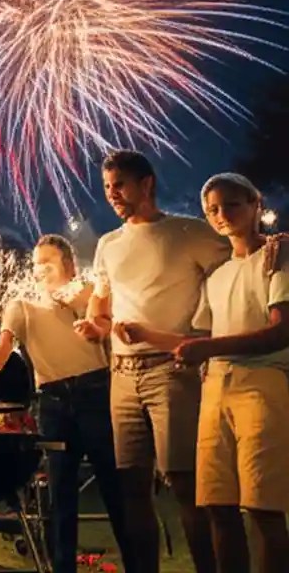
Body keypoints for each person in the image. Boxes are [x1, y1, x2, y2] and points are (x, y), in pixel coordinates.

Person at [113, 173, 289, 573]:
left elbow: (280, 332)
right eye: (212, 209)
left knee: (263, 508)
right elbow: (198, 338)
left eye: (232, 205)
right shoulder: (218, 275)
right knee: (218, 507)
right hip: (215, 389)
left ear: (256, 204)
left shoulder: (277, 259)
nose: (221, 215)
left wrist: (207, 349)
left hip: (263, 385)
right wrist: (144, 334)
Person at [75, 149, 232, 573]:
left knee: (184, 483)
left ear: (147, 184)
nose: (112, 194)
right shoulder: (108, 245)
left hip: (171, 369)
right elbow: (101, 306)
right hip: (122, 374)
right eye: (107, 187)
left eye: (120, 185)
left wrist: (274, 243)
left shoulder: (188, 232)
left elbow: (240, 256)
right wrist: (96, 325)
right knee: (132, 485)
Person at [0, 234, 133, 573]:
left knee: (115, 487)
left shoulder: (87, 293)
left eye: (48, 263)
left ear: (69, 265)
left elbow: (109, 323)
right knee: (60, 496)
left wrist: (85, 309)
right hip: (53, 402)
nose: (39, 270)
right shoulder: (21, 306)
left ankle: (137, 564)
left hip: (96, 392)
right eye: (36, 264)